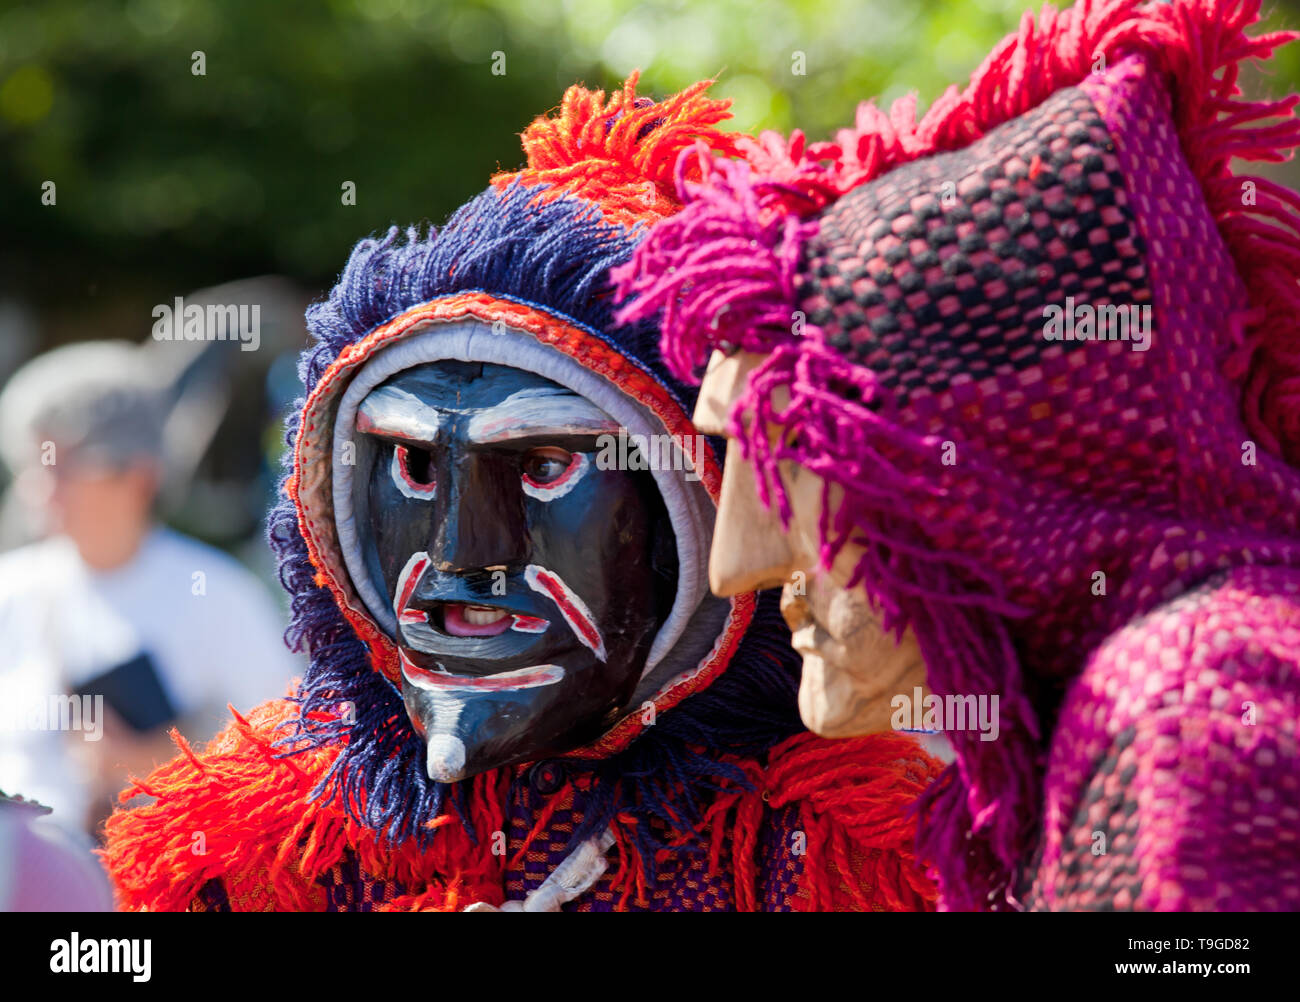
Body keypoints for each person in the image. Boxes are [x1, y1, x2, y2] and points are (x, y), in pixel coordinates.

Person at [101, 76, 942, 912]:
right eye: (416, 468)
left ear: (701, 512)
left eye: (544, 467)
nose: (468, 555)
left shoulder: (862, 860)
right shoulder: (257, 851)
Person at [615, 0, 1300, 910]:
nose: (739, 564)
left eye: (795, 454)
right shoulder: (1132, 704)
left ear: (986, 474)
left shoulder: (1184, 705)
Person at [0, 339, 299, 836]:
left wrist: (165, 763)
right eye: (35, 464)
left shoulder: (219, 596)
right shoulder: (11, 588)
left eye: (63, 467)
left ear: (138, 475)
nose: (37, 489)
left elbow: (286, 754)